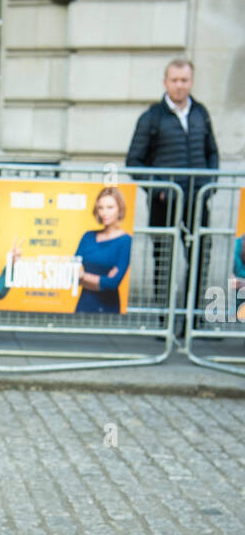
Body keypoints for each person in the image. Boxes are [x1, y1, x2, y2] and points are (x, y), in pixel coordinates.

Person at [125, 57, 218, 333]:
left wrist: (210, 183)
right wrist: (159, 189)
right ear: (165, 82)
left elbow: (211, 151)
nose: (180, 85)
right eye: (175, 80)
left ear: (191, 82)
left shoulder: (201, 113)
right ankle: (164, 322)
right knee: (163, 261)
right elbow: (134, 161)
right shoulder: (152, 117)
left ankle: (195, 319)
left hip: (197, 200)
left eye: (184, 80)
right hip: (164, 203)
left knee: (200, 258)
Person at [74, 186, 131, 313]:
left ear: (120, 209)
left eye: (110, 207)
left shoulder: (126, 241)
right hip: (83, 305)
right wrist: (101, 282)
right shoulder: (88, 236)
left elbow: (112, 283)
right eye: (101, 208)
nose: (104, 213)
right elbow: (72, 272)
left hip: (108, 308)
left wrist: (83, 276)